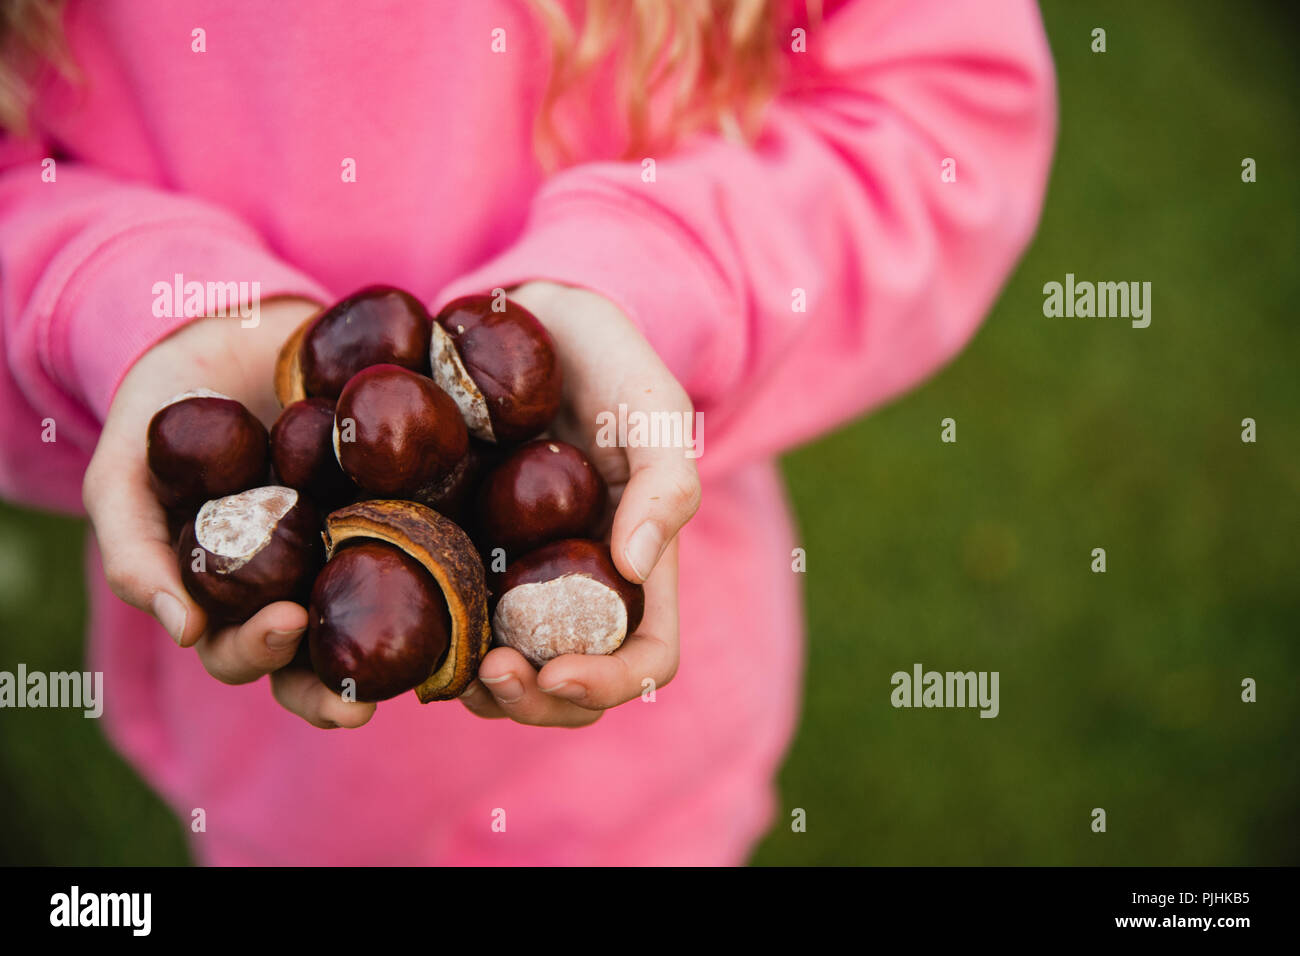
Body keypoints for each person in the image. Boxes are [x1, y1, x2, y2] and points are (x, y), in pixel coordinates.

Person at [0, 0, 1056, 864]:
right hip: (277, 793)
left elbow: (945, 115)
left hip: (651, 780)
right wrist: (115, 303)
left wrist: (661, 280)